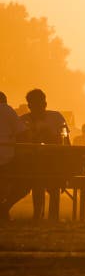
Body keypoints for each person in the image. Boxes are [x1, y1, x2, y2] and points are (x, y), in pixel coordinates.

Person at [18, 89, 70, 220]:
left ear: (45, 104)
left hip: (54, 163)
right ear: (29, 106)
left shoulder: (56, 117)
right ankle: (41, 215)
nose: (38, 108)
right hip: (32, 164)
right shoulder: (23, 121)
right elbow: (19, 145)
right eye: (34, 105)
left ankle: (47, 215)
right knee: (39, 177)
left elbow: (66, 143)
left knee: (46, 177)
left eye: (40, 104)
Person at [0, 92, 26, 220]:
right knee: (25, 181)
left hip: (5, 159)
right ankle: (4, 208)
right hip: (6, 158)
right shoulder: (7, 110)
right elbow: (21, 132)